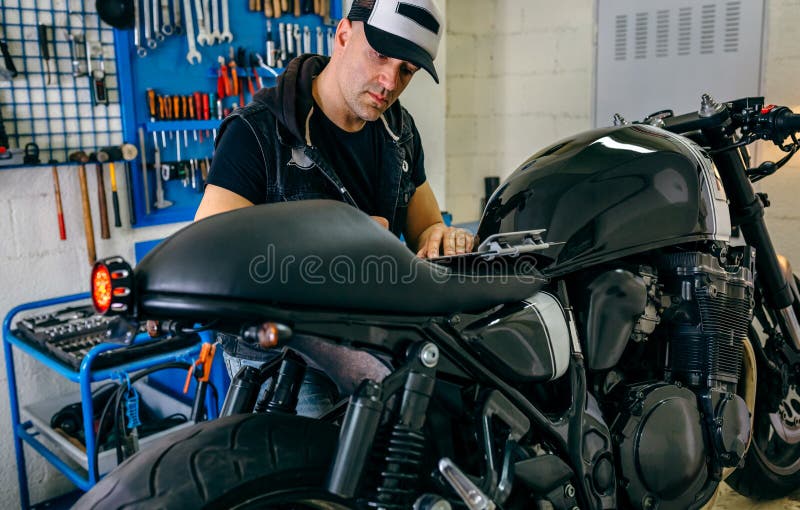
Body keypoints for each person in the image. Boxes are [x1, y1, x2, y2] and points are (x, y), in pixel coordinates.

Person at [190, 0, 473, 415]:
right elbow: (209, 258)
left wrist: (437, 236)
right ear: (343, 35)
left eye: (406, 71)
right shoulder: (256, 133)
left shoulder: (399, 131)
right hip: (281, 358)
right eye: (379, 54)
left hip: (369, 337)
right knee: (313, 471)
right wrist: (332, 239)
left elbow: (425, 227)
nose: (388, 82)